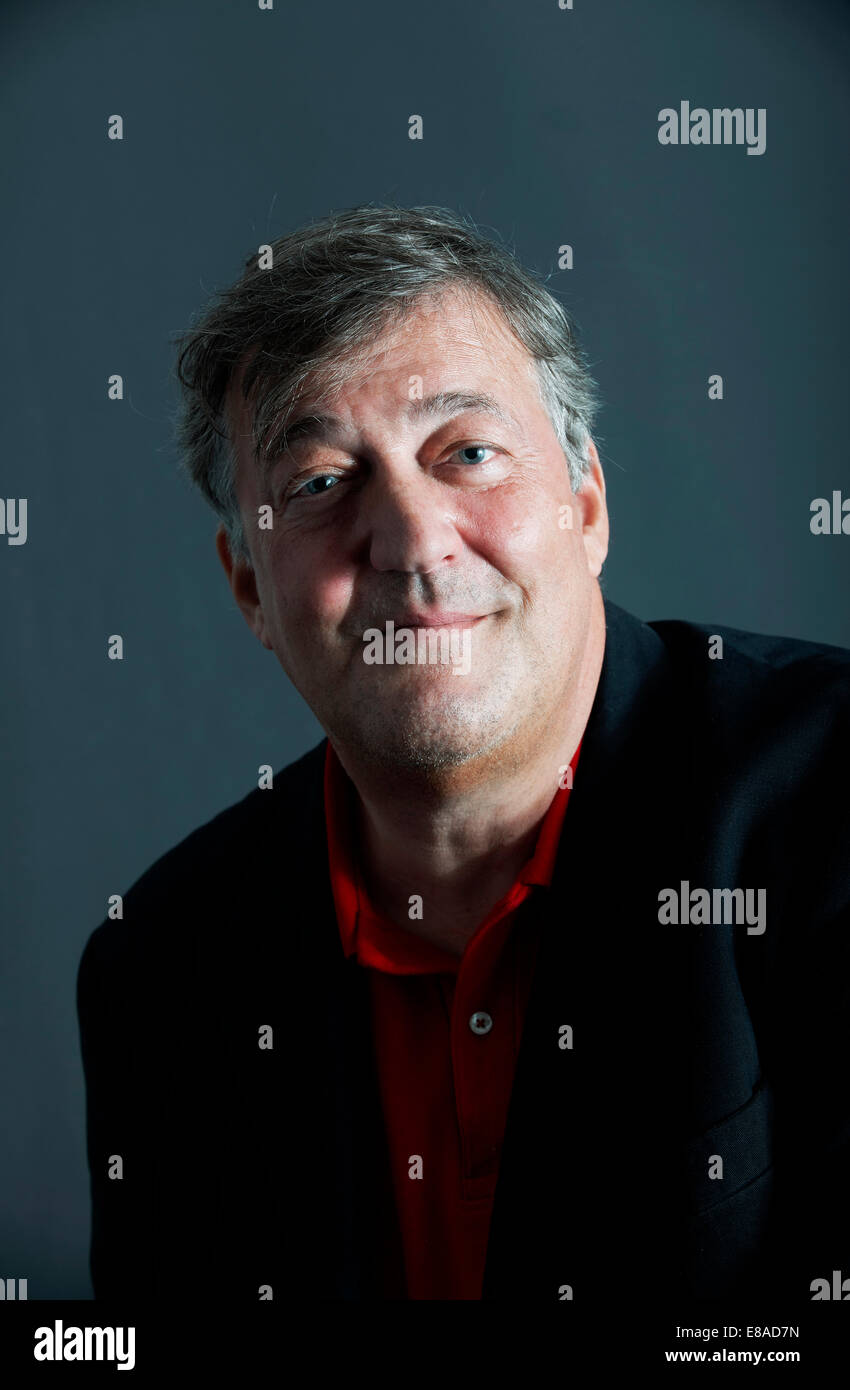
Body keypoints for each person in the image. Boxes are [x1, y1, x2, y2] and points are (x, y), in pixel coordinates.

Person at [77, 203, 849, 1304]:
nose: (409, 539)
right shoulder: (160, 966)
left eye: (468, 452)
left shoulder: (827, 803)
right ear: (249, 584)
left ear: (584, 499)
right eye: (318, 483)